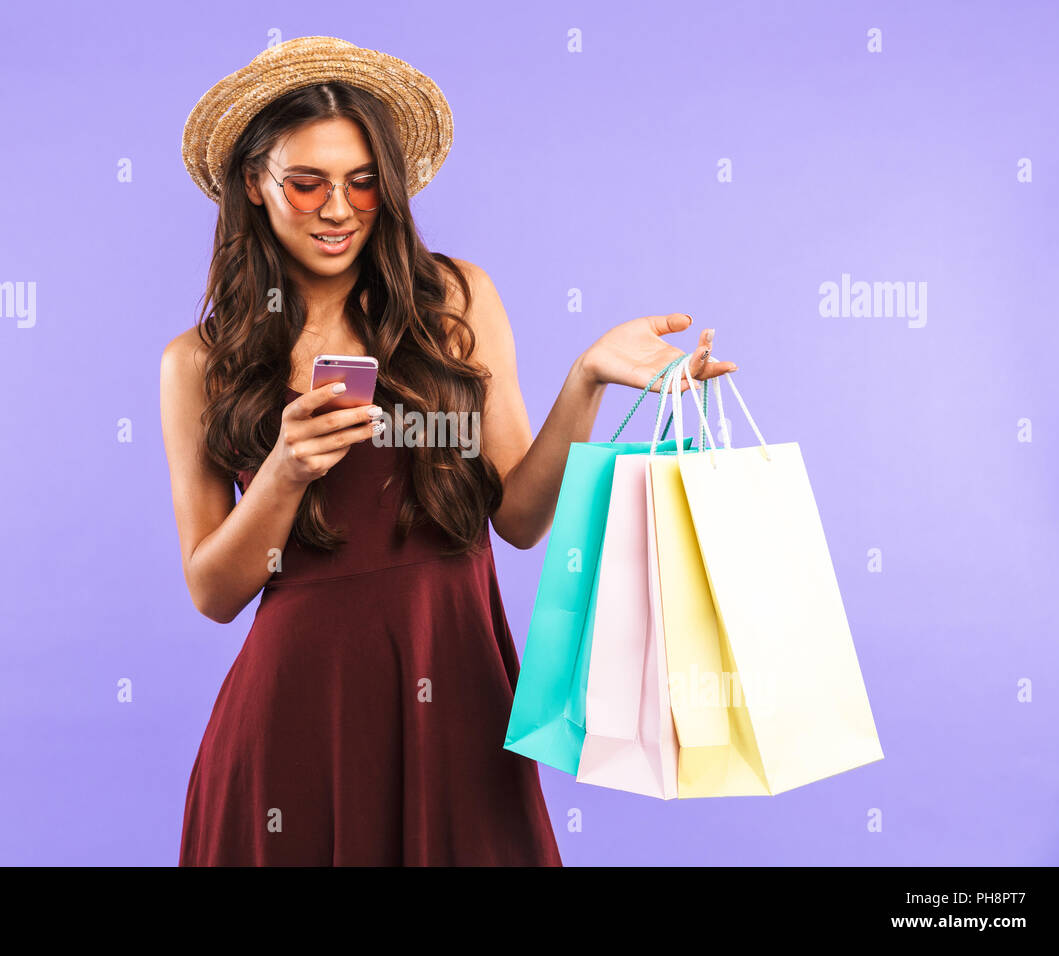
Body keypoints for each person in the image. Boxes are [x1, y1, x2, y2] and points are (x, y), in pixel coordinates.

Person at [161, 36, 736, 866]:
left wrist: (587, 381)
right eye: (307, 182)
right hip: (295, 712)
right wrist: (283, 474)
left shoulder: (456, 298)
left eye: (362, 182)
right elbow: (213, 592)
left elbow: (520, 519)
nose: (337, 208)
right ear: (254, 185)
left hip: (457, 689)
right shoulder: (199, 363)